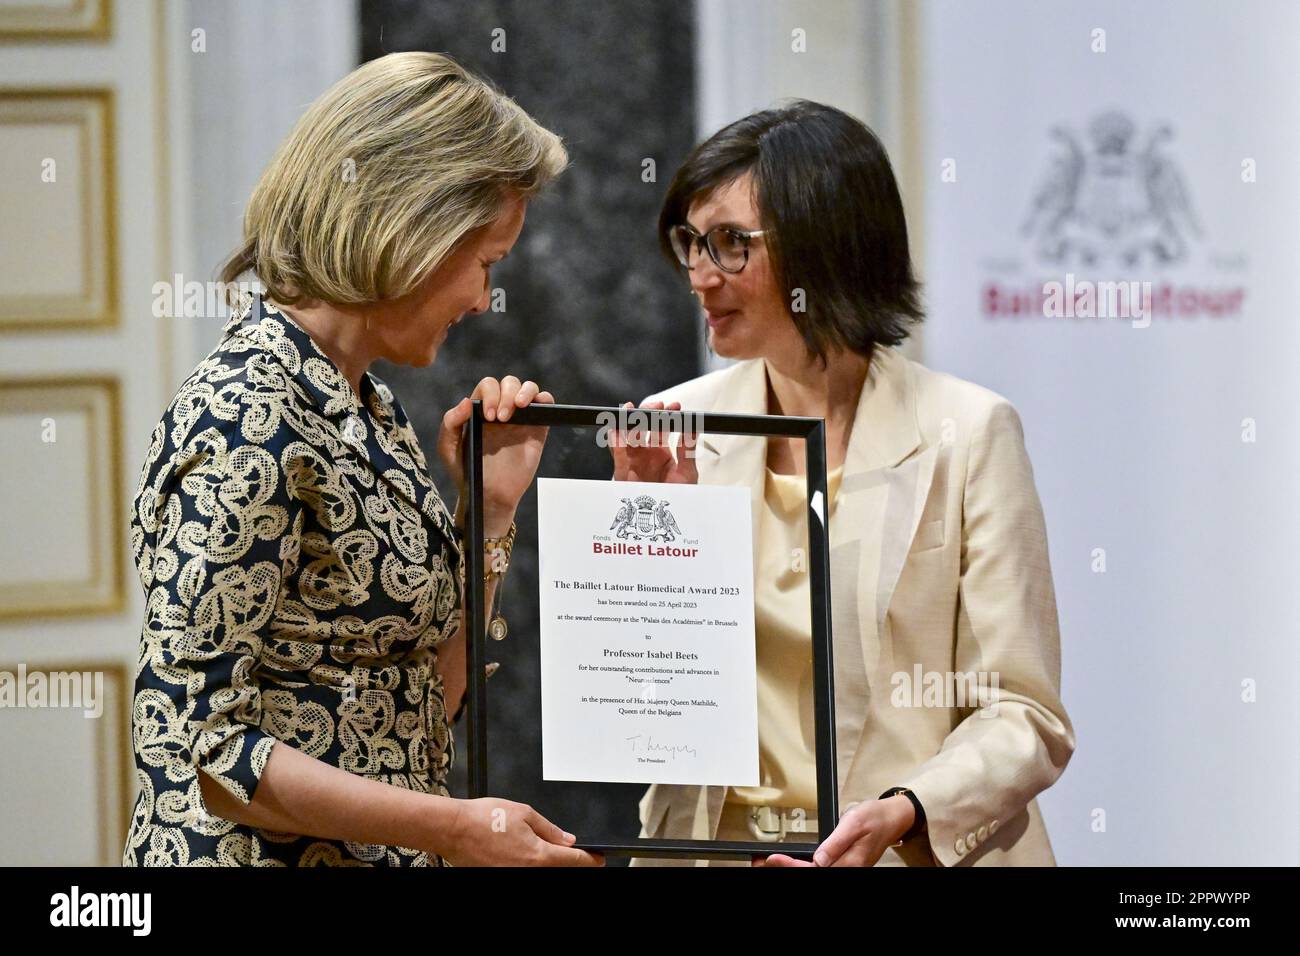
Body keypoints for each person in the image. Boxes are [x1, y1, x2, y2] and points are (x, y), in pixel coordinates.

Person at [124, 52, 600, 867]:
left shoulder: (365, 406)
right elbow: (202, 745)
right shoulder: (247, 413)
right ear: (410, 226)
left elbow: (423, 705)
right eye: (487, 262)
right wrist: (459, 829)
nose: (485, 299)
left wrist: (487, 509)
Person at [611, 100, 1075, 866]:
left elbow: (1024, 714)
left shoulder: (970, 431)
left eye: (731, 244)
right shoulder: (674, 426)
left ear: (826, 246)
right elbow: (645, 692)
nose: (699, 275)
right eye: (692, 243)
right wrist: (649, 529)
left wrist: (905, 809)